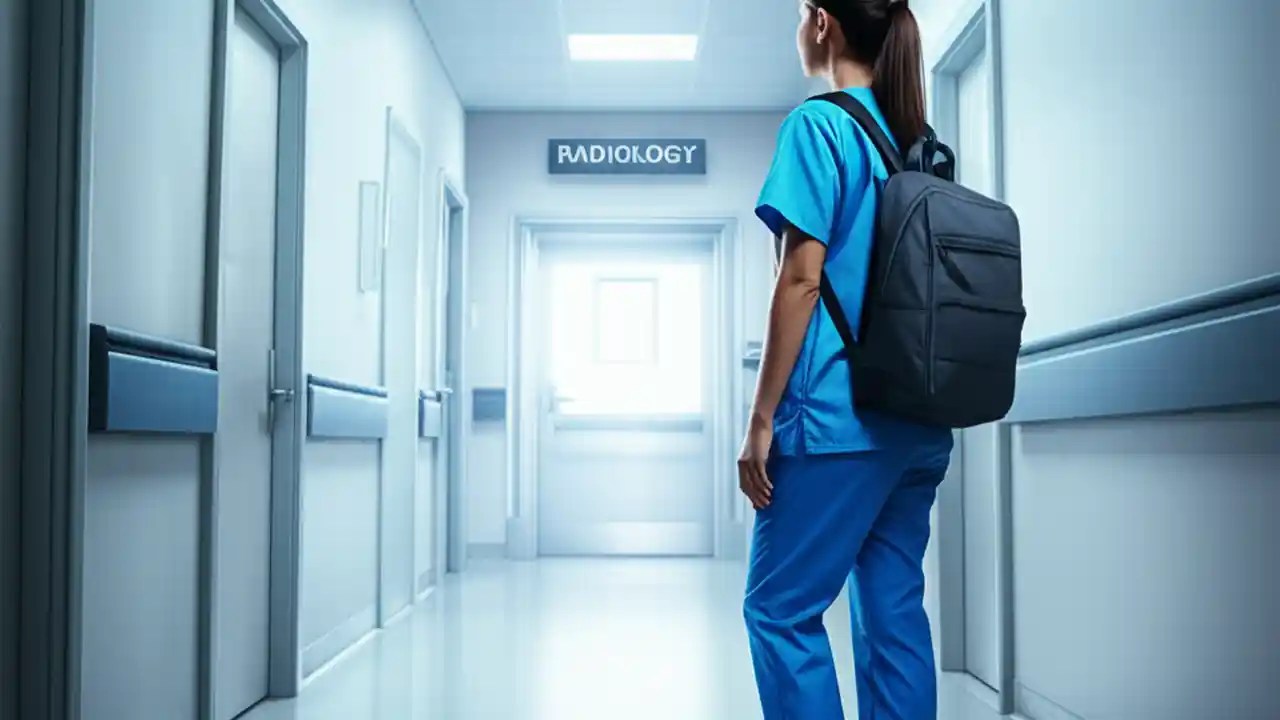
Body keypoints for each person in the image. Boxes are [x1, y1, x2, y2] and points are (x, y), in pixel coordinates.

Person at [738, 1, 955, 718]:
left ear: (823, 22)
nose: (799, 28)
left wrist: (761, 421)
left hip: (838, 423)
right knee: (893, 611)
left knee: (779, 611)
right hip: (918, 424)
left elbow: (800, 279)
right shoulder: (918, 141)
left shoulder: (819, 125)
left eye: (801, 12)